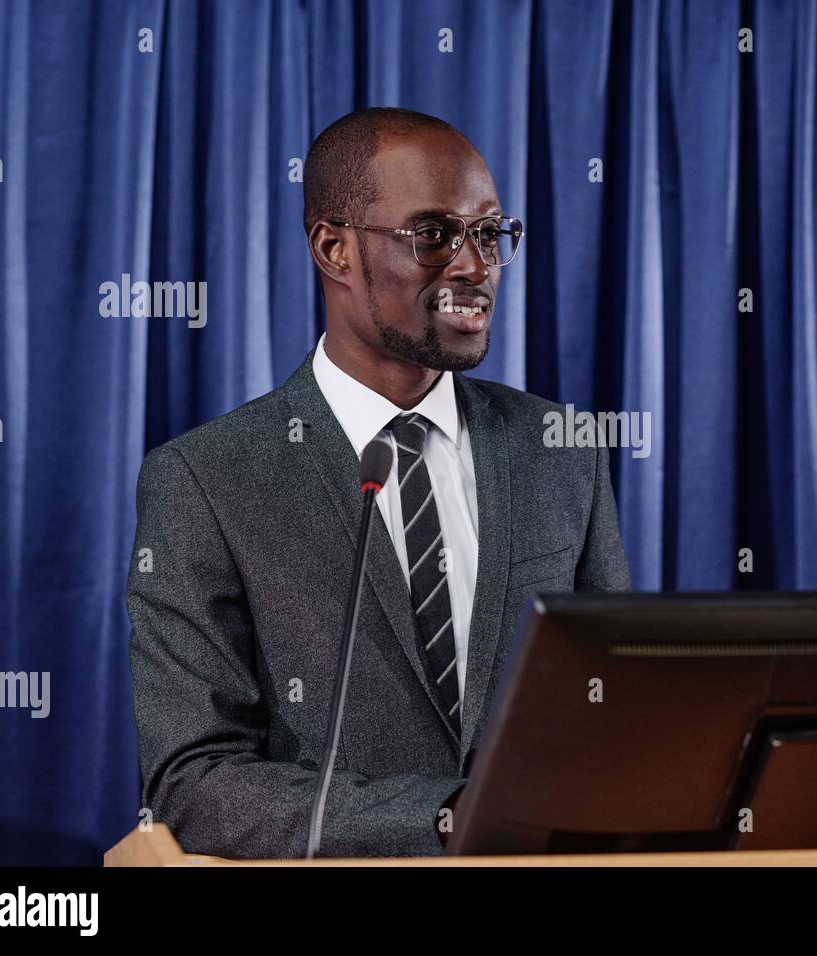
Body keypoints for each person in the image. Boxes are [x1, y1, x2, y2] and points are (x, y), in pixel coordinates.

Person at [127, 107, 631, 859]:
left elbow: (616, 705)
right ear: (334, 248)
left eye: (491, 234)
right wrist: (451, 814)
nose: (474, 266)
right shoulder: (204, 481)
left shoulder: (563, 449)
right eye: (434, 235)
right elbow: (195, 782)